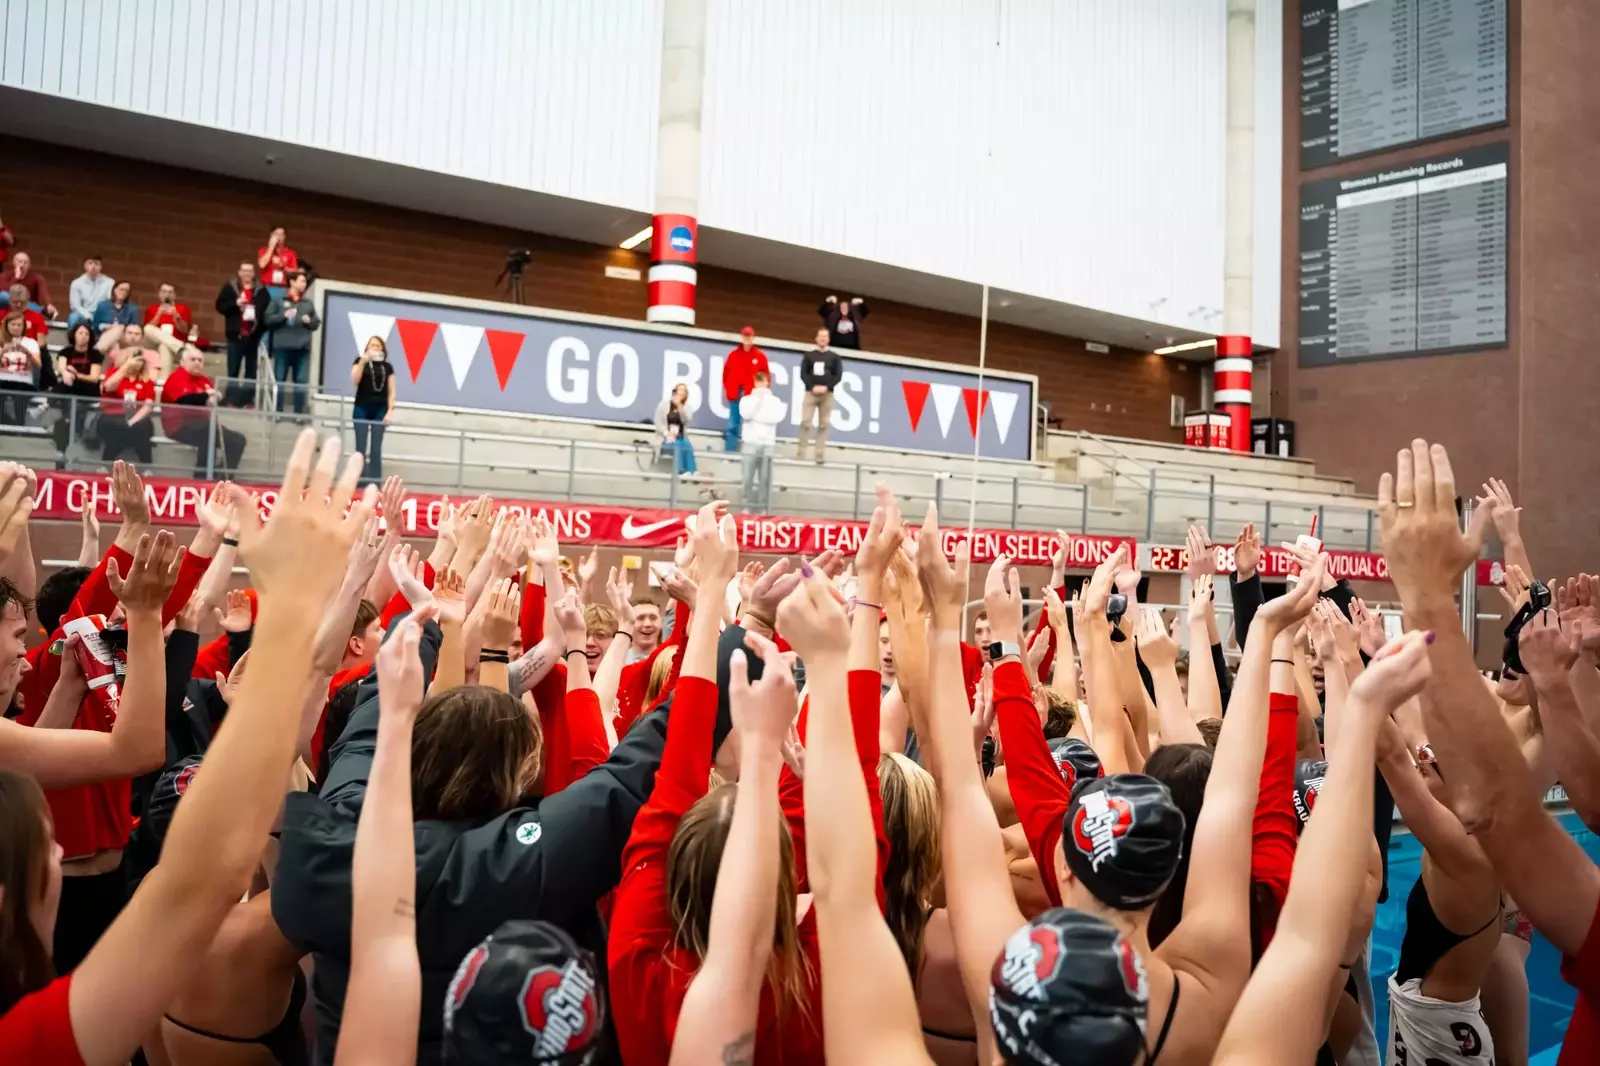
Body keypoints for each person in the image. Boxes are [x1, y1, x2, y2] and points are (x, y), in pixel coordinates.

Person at [0, 431, 381, 1066]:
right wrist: (290, 606)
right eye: (41, 841)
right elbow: (198, 880)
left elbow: (151, 779)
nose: (24, 645)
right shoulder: (26, 1042)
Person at [163, 345, 247, 477]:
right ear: (182, 362)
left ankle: (223, 476)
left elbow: (217, 400)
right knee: (208, 433)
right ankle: (202, 474)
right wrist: (207, 396)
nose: (197, 362)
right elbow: (184, 400)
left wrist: (218, 398)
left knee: (238, 440)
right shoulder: (177, 377)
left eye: (200, 360)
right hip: (179, 426)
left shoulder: (204, 380)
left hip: (203, 425)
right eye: (193, 359)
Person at [216, 262, 272, 407]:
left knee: (251, 371)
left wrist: (258, 323)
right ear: (239, 272)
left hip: (253, 337)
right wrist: (235, 303)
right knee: (233, 369)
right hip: (235, 335)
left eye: (250, 271)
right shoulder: (230, 287)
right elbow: (220, 306)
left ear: (253, 273)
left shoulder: (261, 291)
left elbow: (267, 312)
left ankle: (247, 400)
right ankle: (232, 400)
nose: (247, 274)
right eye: (244, 271)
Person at [266, 270, 319, 415]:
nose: (304, 284)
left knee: (301, 382)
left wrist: (310, 321)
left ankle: (299, 414)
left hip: (302, 348)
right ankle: (277, 411)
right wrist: (284, 315)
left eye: (305, 282)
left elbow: (316, 323)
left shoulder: (308, 304)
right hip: (282, 346)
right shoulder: (277, 301)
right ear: (292, 282)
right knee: (280, 380)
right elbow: (268, 320)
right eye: (301, 281)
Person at [51, 322, 103, 463]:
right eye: (80, 333)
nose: (83, 336)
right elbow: (61, 368)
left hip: (87, 389)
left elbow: (94, 378)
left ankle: (49, 408)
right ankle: (68, 425)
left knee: (68, 384)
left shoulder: (94, 354)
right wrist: (68, 373)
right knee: (66, 381)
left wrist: (77, 374)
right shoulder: (66, 352)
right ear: (74, 335)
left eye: (86, 334)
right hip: (70, 386)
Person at [98, 346, 158, 464]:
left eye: (140, 360)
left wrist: (132, 421)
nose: (137, 363)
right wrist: (125, 368)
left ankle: (146, 467)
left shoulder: (147, 381)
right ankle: (105, 464)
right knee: (116, 428)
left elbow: (148, 405)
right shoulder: (114, 373)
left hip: (137, 418)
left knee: (143, 427)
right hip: (112, 416)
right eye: (135, 359)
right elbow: (108, 387)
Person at [350, 336, 395, 486]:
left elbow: (391, 390)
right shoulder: (359, 361)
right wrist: (363, 361)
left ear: (382, 349)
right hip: (362, 406)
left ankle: (375, 483)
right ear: (367, 348)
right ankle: (359, 481)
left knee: (376, 447)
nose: (375, 348)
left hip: (380, 409)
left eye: (378, 346)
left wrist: (390, 410)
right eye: (372, 345)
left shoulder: (388, 367)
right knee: (360, 447)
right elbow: (355, 380)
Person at [738, 369, 784, 510]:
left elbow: (775, 418)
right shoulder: (746, 400)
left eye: (762, 381)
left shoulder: (775, 401)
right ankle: (746, 506)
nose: (760, 384)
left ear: (767, 382)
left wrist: (758, 415)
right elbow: (746, 415)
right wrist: (758, 402)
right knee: (747, 478)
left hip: (767, 443)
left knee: (765, 478)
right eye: (757, 381)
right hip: (750, 442)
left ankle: (763, 507)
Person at [797, 329, 843, 464]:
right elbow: (803, 373)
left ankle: (819, 454)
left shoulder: (834, 357)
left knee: (823, 425)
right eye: (820, 336)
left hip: (827, 395)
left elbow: (838, 375)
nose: (823, 339)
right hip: (810, 393)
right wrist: (812, 387)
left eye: (825, 337)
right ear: (816, 339)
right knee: (805, 422)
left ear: (828, 339)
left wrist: (827, 387)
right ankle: (801, 453)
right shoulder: (809, 356)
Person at [722, 326, 768, 453]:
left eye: (749, 336)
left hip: (752, 395)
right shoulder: (733, 355)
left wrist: (762, 393)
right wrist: (729, 388)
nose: (747, 338)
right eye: (745, 336)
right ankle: (730, 453)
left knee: (752, 424)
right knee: (733, 424)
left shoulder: (760, 356)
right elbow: (725, 374)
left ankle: (749, 453)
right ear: (742, 337)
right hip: (735, 394)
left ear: (753, 337)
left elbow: (766, 376)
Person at [142, 282, 199, 365]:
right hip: (154, 345)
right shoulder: (151, 308)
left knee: (164, 346)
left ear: (175, 295)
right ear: (159, 294)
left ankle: (163, 378)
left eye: (170, 292)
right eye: (164, 292)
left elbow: (184, 331)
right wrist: (158, 314)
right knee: (147, 328)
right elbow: (146, 332)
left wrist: (176, 316)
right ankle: (181, 348)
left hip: (171, 348)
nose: (167, 295)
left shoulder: (183, 308)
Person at [0, 311, 40, 426]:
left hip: (23, 380)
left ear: (23, 327)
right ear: (6, 325)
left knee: (20, 394)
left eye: (19, 325)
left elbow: (38, 365)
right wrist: (3, 351)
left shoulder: (31, 342)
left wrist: (27, 353)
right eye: (13, 324)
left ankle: (19, 426)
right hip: (2, 378)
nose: (16, 327)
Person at [654, 382, 697, 479]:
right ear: (674, 391)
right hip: (665, 439)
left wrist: (680, 407)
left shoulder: (687, 408)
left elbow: (687, 419)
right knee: (678, 445)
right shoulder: (664, 405)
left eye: (684, 391)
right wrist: (666, 433)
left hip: (680, 437)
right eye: (680, 390)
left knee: (686, 444)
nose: (682, 392)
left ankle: (692, 471)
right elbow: (658, 421)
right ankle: (681, 471)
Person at [0, 251, 57, 319]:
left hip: (27, 307)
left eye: (26, 262)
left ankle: (42, 311)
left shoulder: (36, 277)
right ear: (14, 262)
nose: (22, 265)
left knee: (23, 301)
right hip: (7, 307)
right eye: (20, 261)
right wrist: (16, 278)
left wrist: (49, 304)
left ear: (29, 265)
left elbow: (44, 292)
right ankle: (41, 311)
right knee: (3, 295)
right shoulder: (5, 275)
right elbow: (4, 291)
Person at [68, 256, 113, 330]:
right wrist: (88, 316)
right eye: (90, 263)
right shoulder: (76, 283)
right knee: (73, 317)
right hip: (84, 314)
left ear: (101, 267)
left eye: (96, 264)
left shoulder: (109, 282)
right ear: (85, 266)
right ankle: (73, 340)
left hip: (102, 314)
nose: (93, 266)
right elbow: (75, 306)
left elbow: (110, 302)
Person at [258, 225, 300, 295]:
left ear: (284, 237)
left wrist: (282, 267)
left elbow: (294, 272)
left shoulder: (290, 253)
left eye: (281, 235)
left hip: (283, 288)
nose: (279, 237)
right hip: (266, 287)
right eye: (276, 234)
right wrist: (271, 247)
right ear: (271, 235)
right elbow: (262, 265)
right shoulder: (264, 250)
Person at [628, 595, 664, 664]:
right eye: (640, 618)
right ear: (629, 624)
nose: (647, 624)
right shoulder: (617, 662)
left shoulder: (671, 661)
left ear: (661, 622)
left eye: (653, 618)